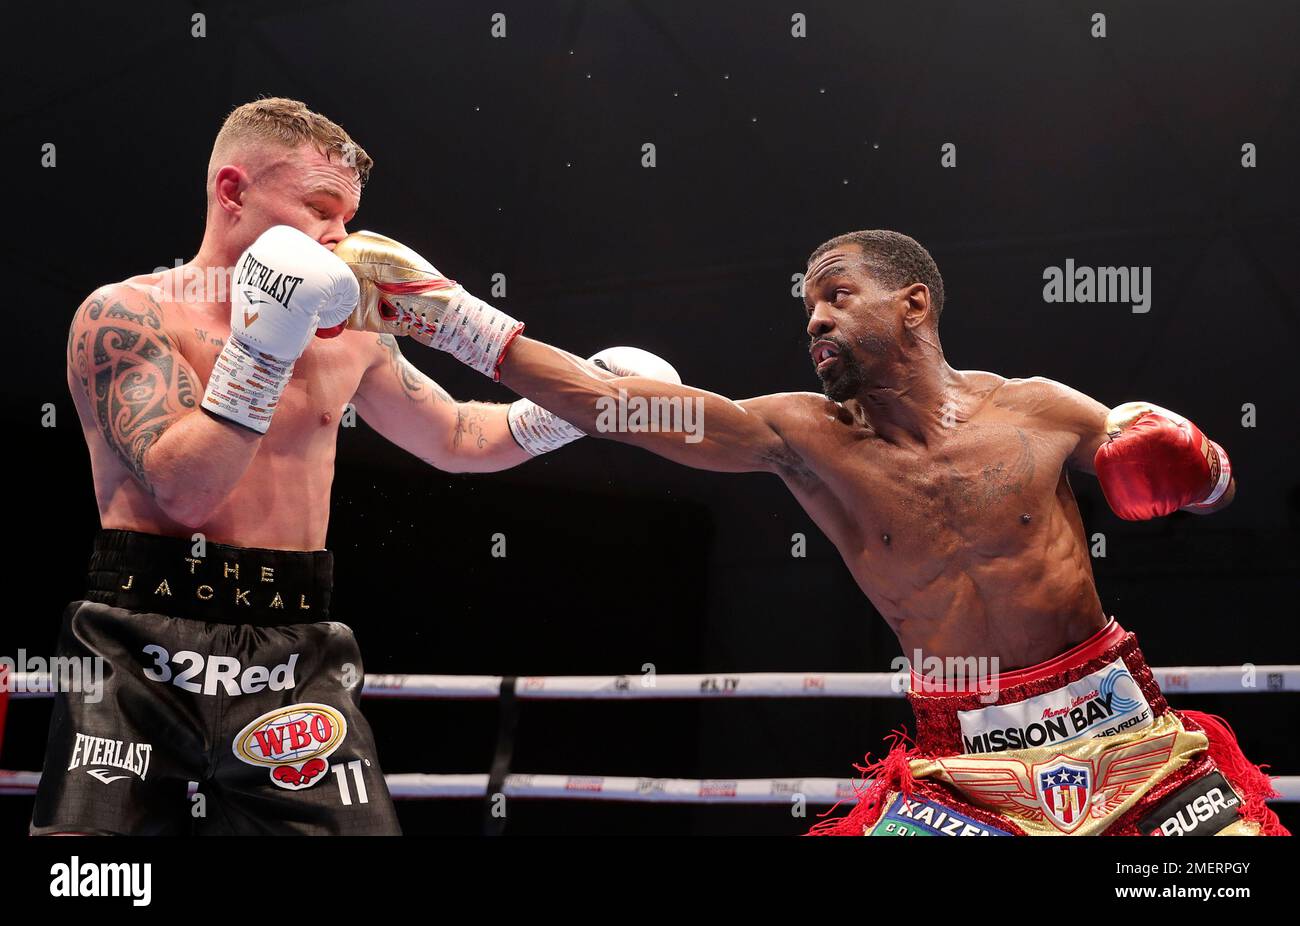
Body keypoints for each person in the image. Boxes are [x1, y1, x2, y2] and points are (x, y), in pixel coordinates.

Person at [335, 227, 1286, 836]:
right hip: (967, 769)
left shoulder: (1038, 410)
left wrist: (1198, 470)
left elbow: (1217, 493)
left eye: (836, 295)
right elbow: (622, 407)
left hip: (1129, 738)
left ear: (914, 304)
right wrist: (455, 323)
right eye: (807, 309)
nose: (816, 320)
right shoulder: (798, 436)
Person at [34, 97, 673, 835]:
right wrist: (263, 344)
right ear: (233, 191)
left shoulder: (351, 339)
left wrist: (577, 411)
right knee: (91, 884)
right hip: (135, 645)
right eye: (319, 207)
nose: (340, 236)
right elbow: (185, 491)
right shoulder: (126, 315)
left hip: (292, 655)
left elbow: (459, 436)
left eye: (349, 215)